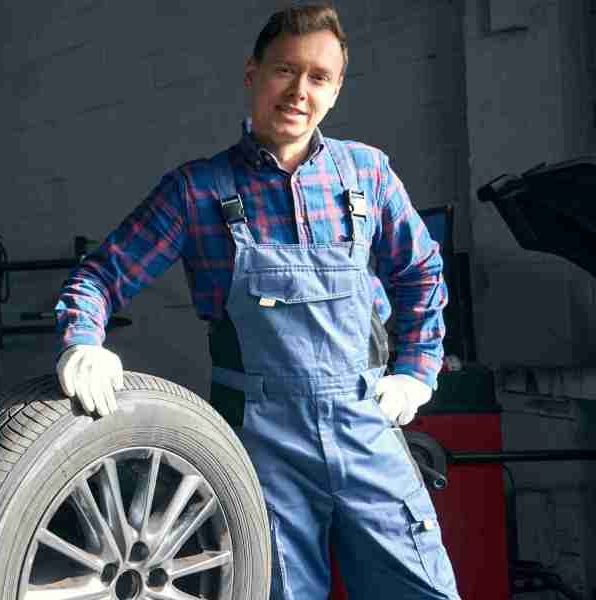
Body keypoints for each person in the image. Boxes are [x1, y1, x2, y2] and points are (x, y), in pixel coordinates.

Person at [53, 4, 460, 599]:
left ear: (337, 88)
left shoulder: (366, 175)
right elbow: (100, 276)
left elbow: (421, 271)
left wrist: (416, 374)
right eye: (284, 71)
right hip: (262, 450)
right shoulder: (198, 191)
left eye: (319, 77)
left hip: (367, 425)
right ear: (252, 74)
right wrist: (83, 343)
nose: (299, 91)